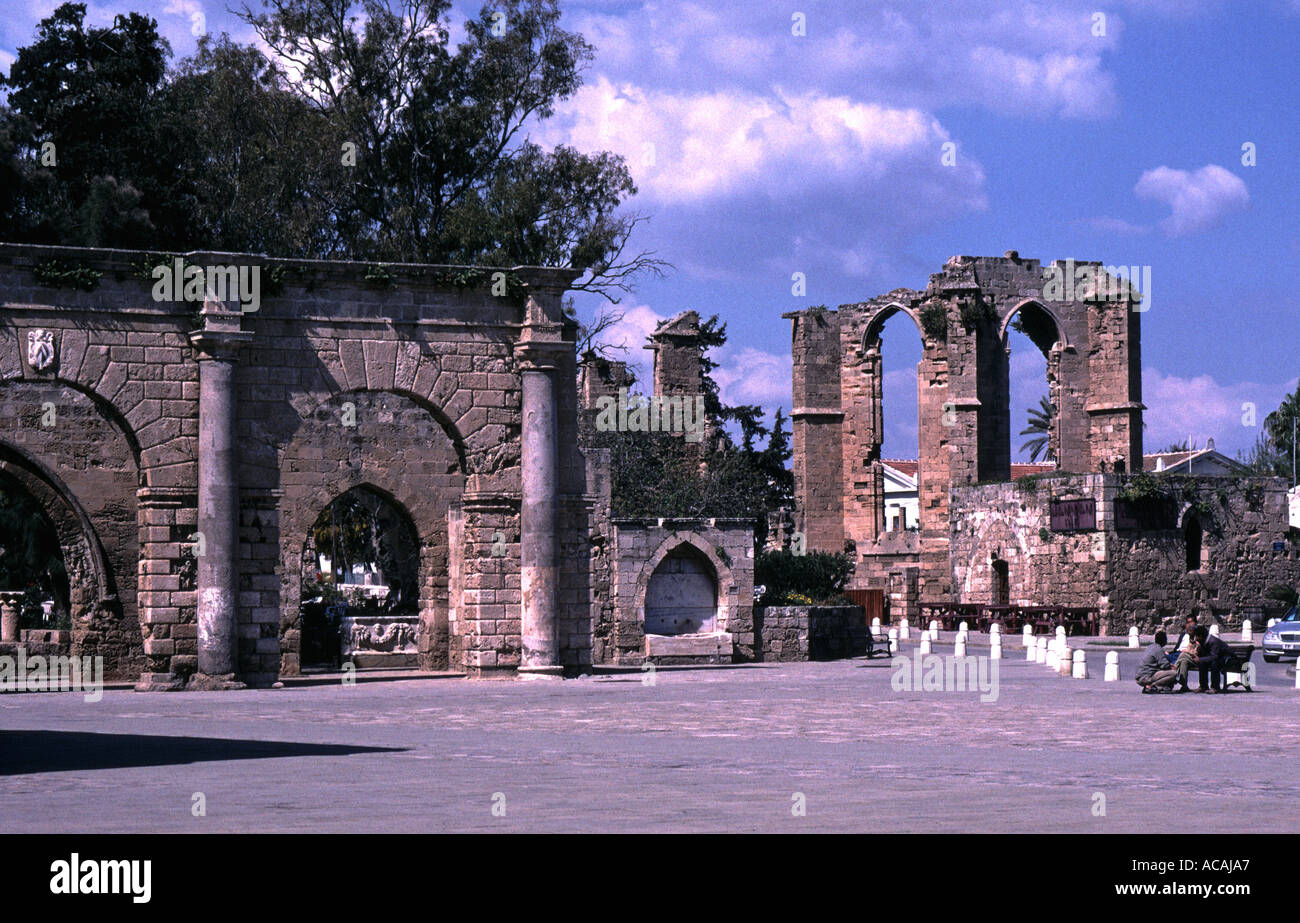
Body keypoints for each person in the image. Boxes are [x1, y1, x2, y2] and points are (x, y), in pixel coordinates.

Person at [1193, 625, 1231, 693]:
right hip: (1219, 658)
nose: (1195, 639)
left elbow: (1214, 657)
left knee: (1214, 663)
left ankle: (1215, 687)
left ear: (1201, 636)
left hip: (1229, 660)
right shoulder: (1204, 641)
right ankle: (1203, 686)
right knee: (1202, 663)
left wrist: (1200, 659)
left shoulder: (1213, 641)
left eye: (1196, 636)